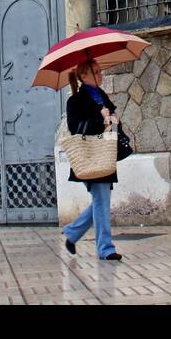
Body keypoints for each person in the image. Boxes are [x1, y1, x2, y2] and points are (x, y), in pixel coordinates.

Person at [61, 62, 122, 261]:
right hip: (89, 157)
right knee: (102, 200)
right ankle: (105, 248)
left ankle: (72, 232)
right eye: (96, 72)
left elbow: (109, 122)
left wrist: (113, 119)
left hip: (104, 154)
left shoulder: (101, 95)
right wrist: (100, 119)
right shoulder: (75, 101)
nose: (100, 74)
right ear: (84, 76)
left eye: (100, 71)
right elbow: (76, 128)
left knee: (100, 200)